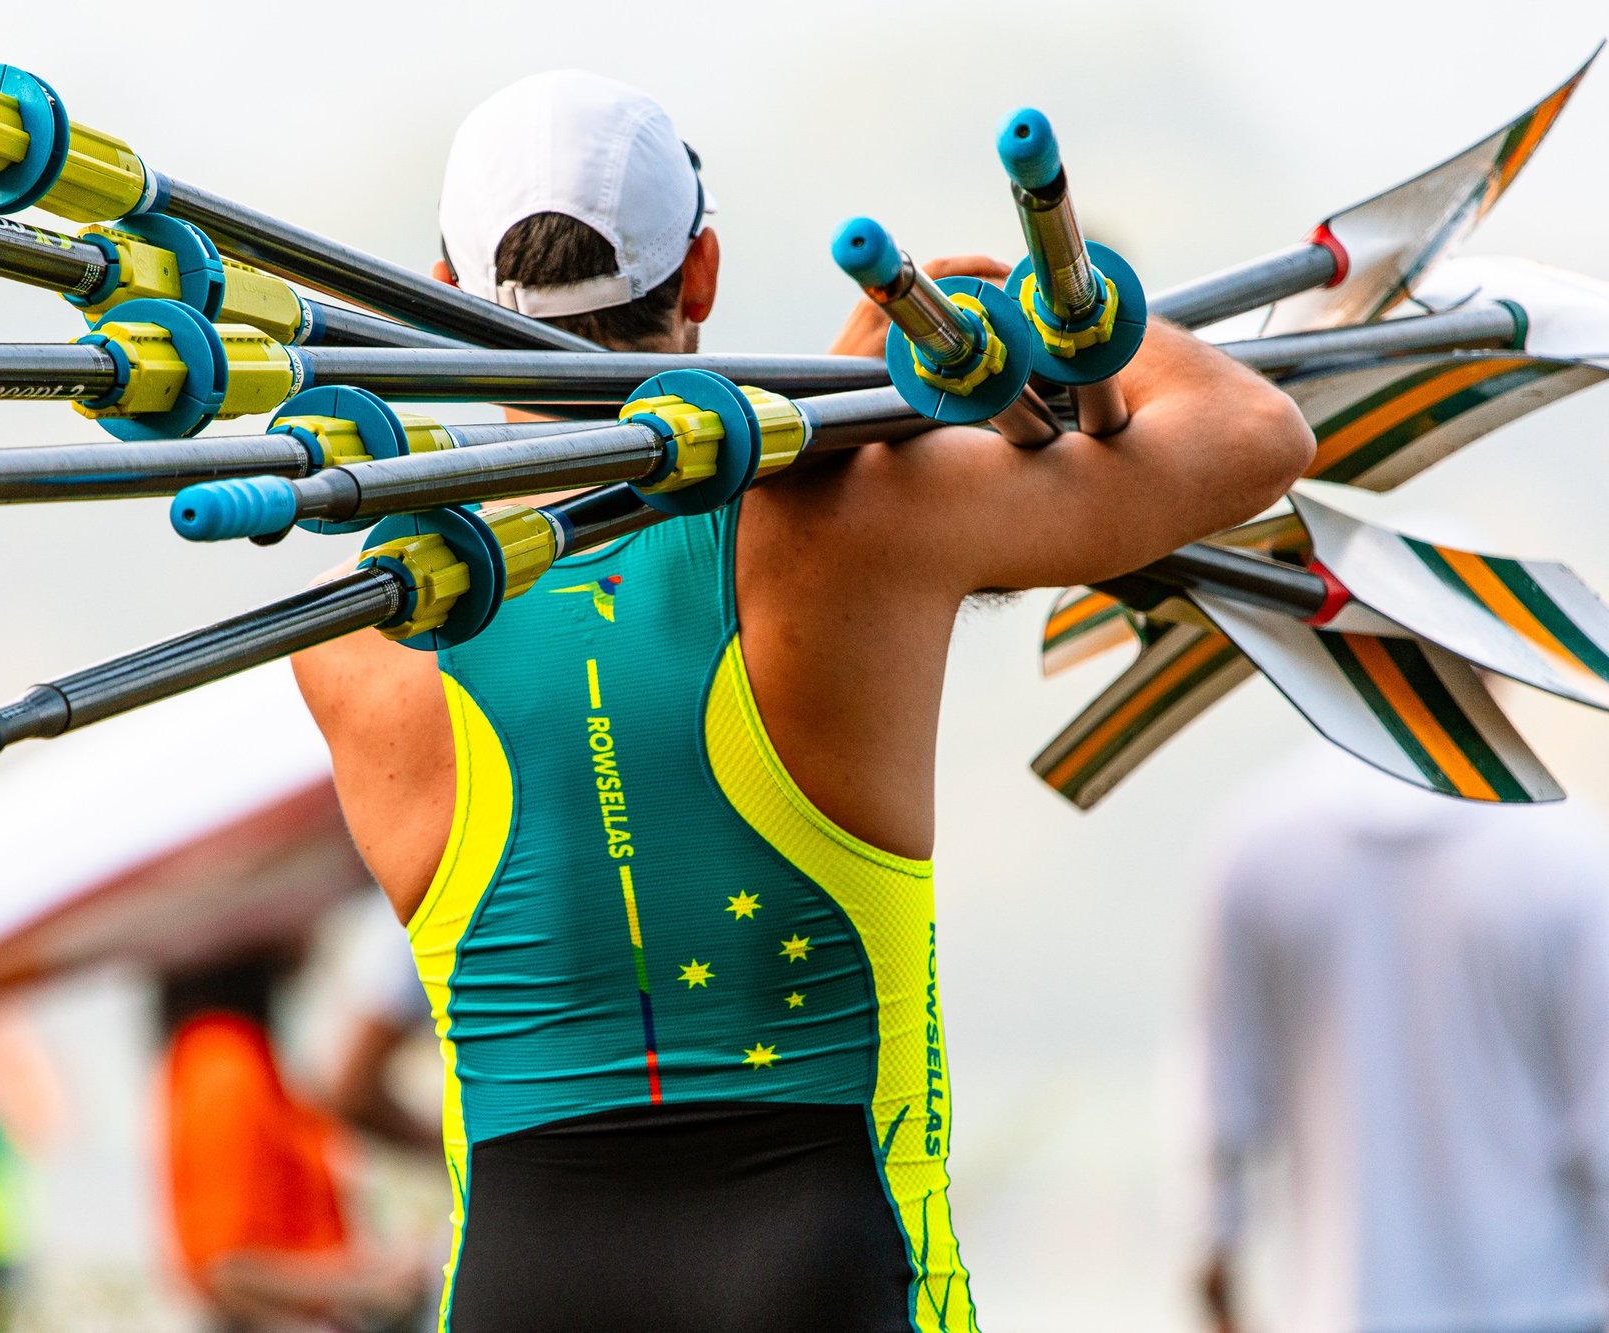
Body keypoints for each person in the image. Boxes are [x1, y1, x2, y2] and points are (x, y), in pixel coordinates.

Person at [296, 69, 1313, 1332]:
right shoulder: (864, 518)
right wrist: (1036, 294)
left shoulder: (356, 633)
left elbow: (617, 591)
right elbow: (1251, 431)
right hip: (819, 1256)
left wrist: (834, 406)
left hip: (517, 1277)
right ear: (703, 273)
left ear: (443, 296)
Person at [1197, 744, 1609, 1333]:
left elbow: (1221, 1105)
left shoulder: (1262, 844)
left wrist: (1216, 1267)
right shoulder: (1570, 855)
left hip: (1336, 1305)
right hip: (1542, 1304)